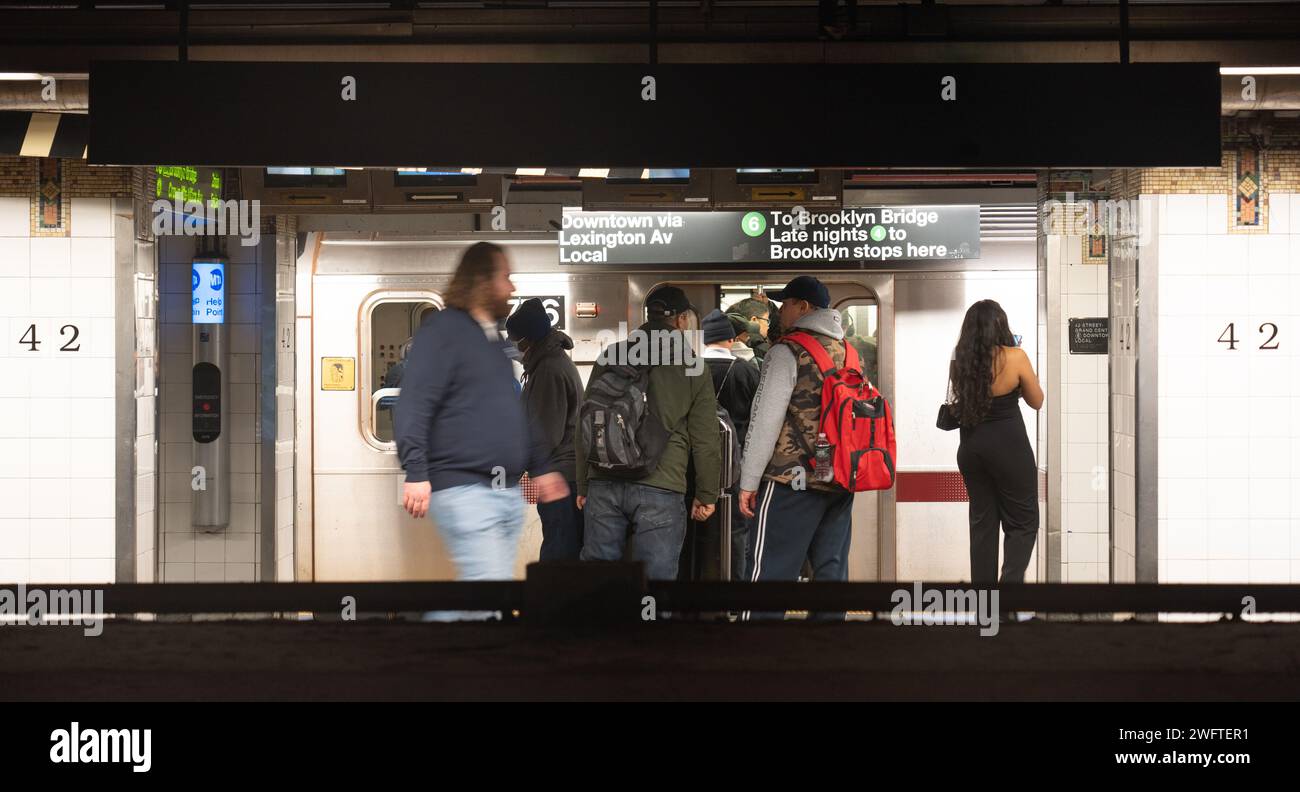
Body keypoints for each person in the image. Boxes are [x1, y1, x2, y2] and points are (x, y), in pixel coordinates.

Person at [394, 242, 569, 619]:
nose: (511, 287)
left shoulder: (493, 341)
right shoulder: (443, 331)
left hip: (502, 492)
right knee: (487, 593)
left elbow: (515, 413)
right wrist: (416, 471)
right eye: (504, 277)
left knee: (487, 596)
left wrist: (542, 466)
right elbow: (415, 402)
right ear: (481, 281)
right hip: (464, 488)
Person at [576, 286, 722, 580]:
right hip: (661, 484)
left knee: (597, 578)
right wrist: (707, 493)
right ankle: (649, 624)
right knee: (655, 580)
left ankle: (597, 626)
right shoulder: (692, 364)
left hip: (604, 478)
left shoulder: (611, 355)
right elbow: (705, 437)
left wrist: (583, 483)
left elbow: (586, 420)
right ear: (682, 320)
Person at [738, 275, 852, 620]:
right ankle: (826, 656)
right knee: (831, 573)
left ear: (803, 307)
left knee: (769, 572)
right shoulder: (849, 352)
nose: (779, 310)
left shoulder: (787, 351)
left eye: (785, 303)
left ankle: (756, 654)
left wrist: (748, 481)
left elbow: (765, 419)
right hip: (839, 478)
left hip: (791, 480)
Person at [948, 299, 1044, 584]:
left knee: (983, 526)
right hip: (1009, 447)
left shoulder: (959, 356)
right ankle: (1008, 598)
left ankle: (985, 607)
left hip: (972, 448)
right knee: (1023, 523)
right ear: (1000, 325)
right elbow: (1036, 400)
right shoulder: (1015, 356)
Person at [506, 298, 585, 562]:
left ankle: (552, 601)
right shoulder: (545, 364)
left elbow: (544, 434)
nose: (515, 347)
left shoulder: (549, 370)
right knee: (562, 545)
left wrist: (512, 473)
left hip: (561, 477)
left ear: (529, 339)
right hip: (560, 474)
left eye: (517, 340)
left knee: (559, 551)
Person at [701, 309, 761, 581]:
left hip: (696, 462)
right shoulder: (746, 371)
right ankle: (736, 594)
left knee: (698, 524)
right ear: (729, 340)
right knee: (737, 529)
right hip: (736, 463)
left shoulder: (689, 370)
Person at [728, 297, 773, 363]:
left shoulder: (725, 345)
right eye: (767, 320)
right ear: (754, 320)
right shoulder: (765, 350)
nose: (768, 326)